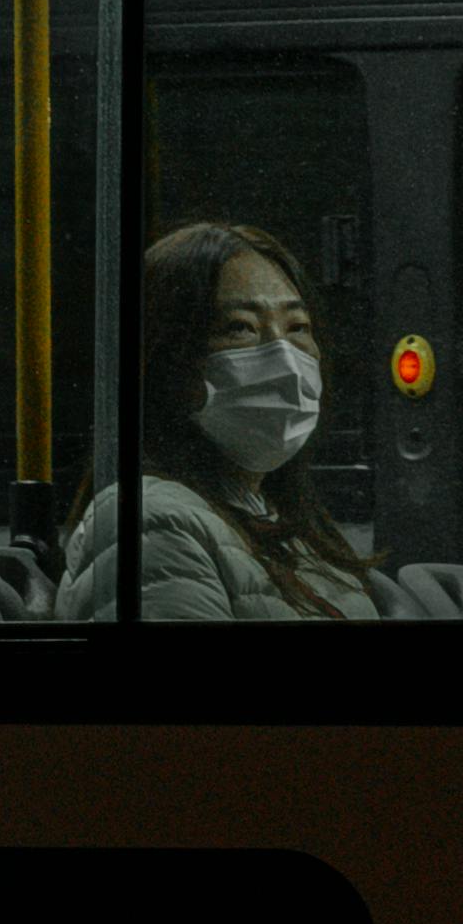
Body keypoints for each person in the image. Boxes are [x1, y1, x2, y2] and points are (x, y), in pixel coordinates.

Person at [53, 219, 379, 623]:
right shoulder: (152, 522)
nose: (286, 359)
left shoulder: (281, 525)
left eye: (297, 327)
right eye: (240, 327)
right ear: (169, 360)